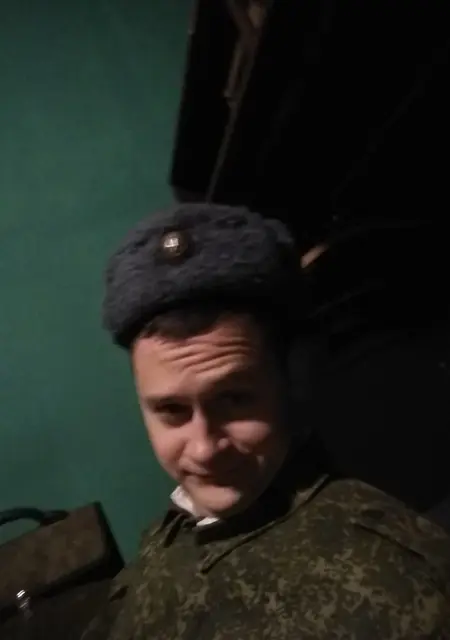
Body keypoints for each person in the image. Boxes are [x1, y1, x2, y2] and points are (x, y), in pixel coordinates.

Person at [83, 203, 450, 639]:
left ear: (293, 378)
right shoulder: (173, 531)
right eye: (172, 411)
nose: (204, 449)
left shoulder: (395, 586)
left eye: (235, 400)